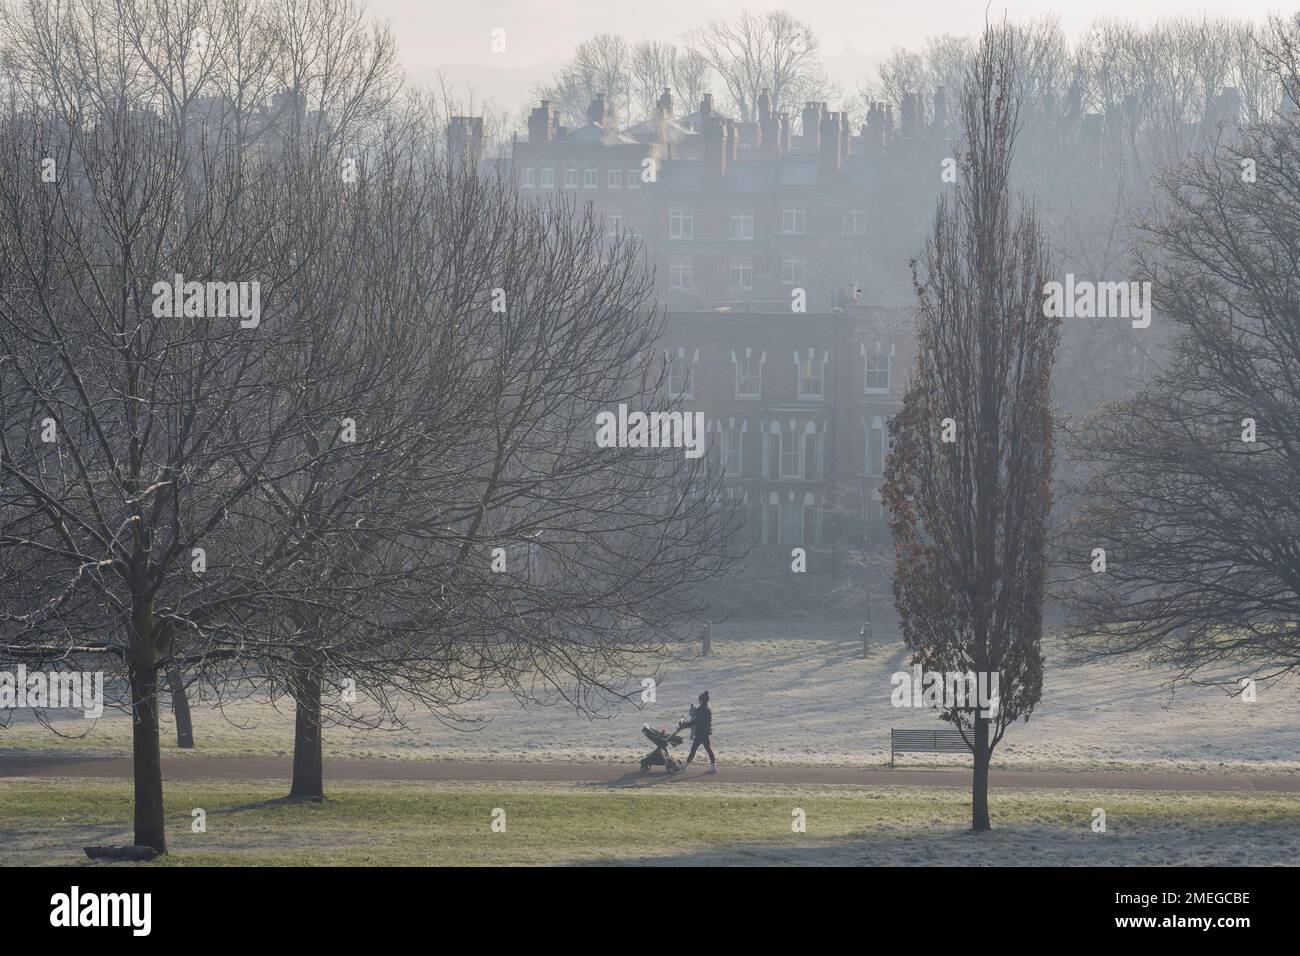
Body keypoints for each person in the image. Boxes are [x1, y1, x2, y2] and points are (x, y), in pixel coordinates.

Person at [678, 691, 716, 774]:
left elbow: (696, 721)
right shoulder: (707, 709)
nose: (698, 701)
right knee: (707, 749)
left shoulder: (701, 709)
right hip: (705, 732)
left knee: (694, 749)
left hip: (701, 732)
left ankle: (685, 766)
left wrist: (685, 725)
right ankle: (713, 767)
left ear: (701, 700)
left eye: (699, 700)